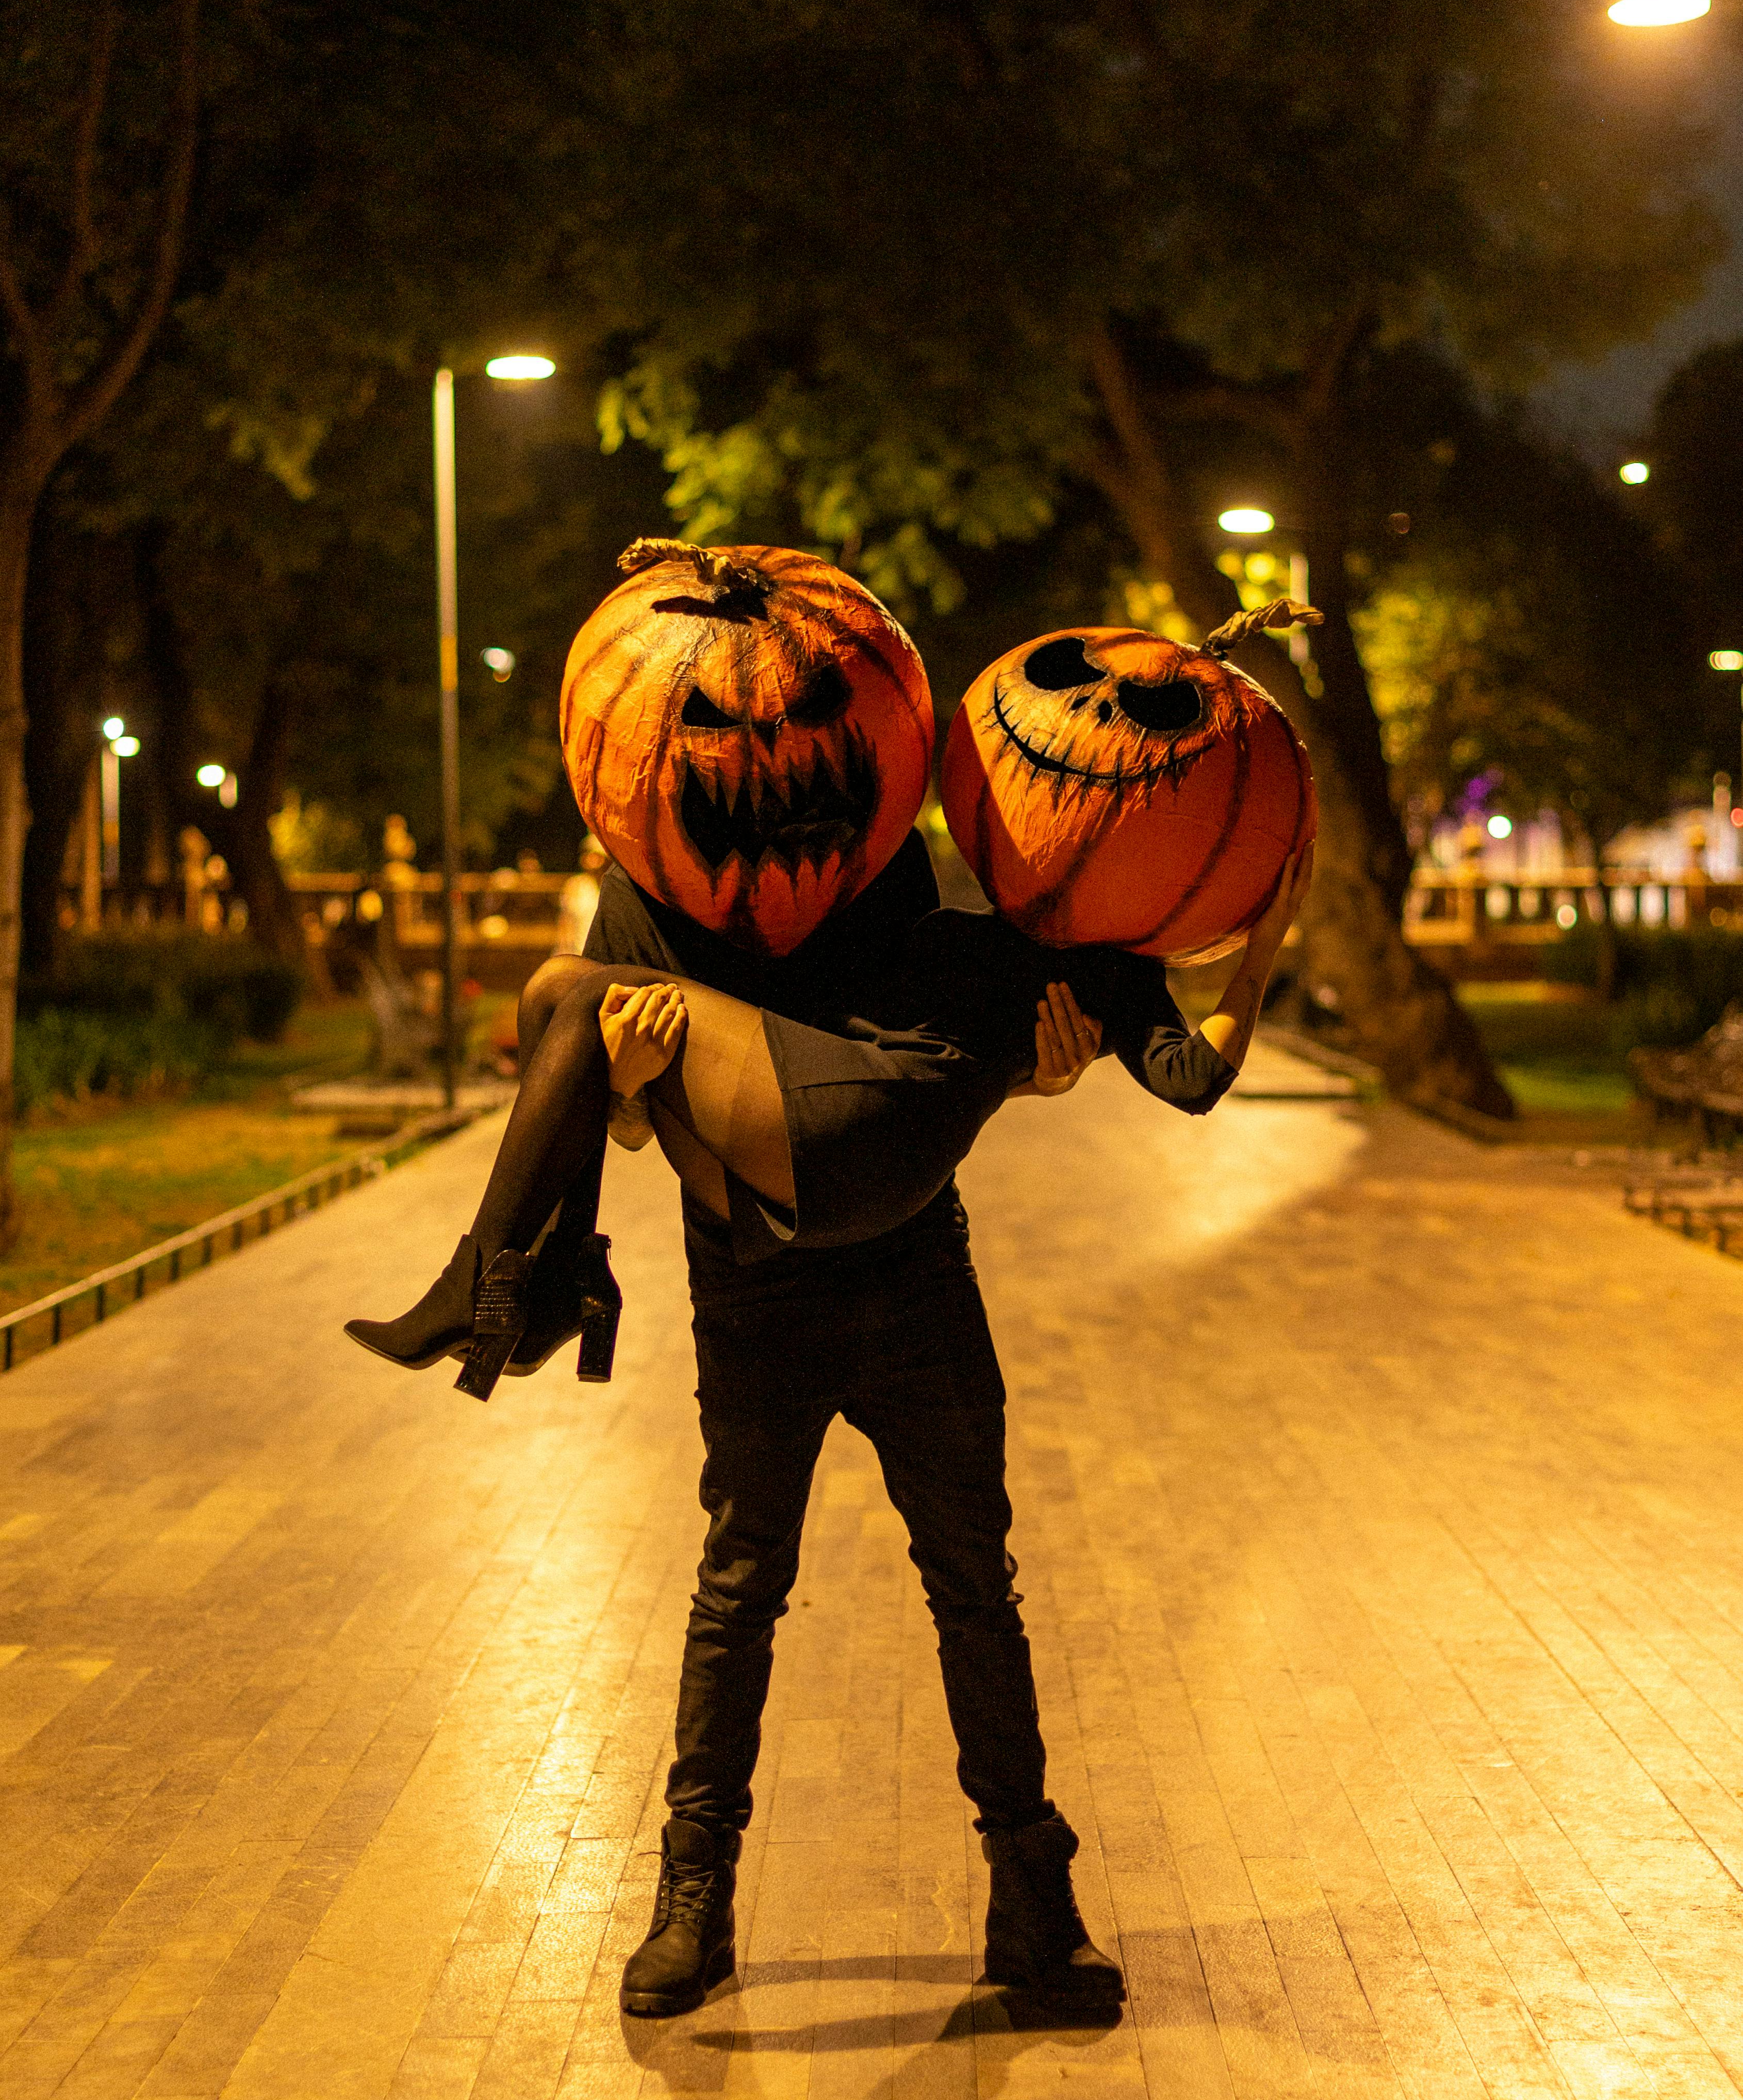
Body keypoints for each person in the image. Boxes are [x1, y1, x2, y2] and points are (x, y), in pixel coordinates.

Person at [344, 823, 1312, 2015]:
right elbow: (636, 1113)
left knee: (972, 1584)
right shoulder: (656, 893)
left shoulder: (931, 881)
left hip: (916, 1278)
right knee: (739, 1580)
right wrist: (638, 1095)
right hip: (753, 1282)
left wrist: (1062, 1053)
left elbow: (937, 1079)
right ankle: (691, 1902)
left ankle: (1034, 1903)